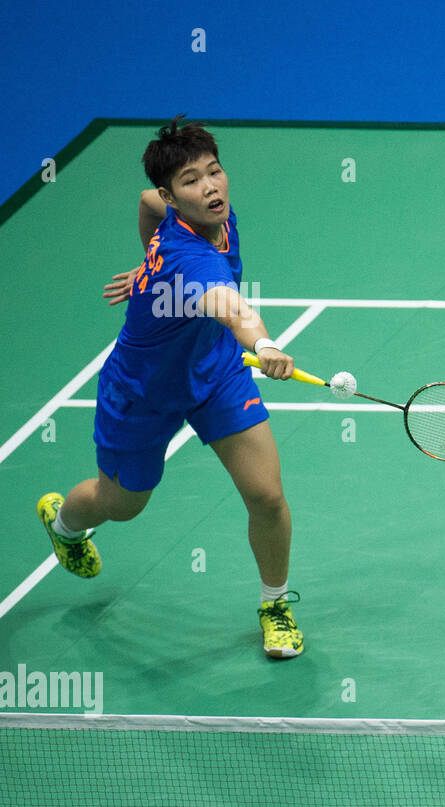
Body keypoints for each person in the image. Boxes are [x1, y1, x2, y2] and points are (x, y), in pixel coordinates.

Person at [37, 116, 306, 658]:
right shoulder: (189, 261)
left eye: (214, 171)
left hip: (215, 374)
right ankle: (64, 522)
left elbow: (145, 202)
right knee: (122, 504)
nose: (210, 187)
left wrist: (144, 263)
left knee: (268, 496)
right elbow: (233, 309)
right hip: (142, 392)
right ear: (173, 193)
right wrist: (268, 345)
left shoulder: (211, 217)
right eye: (191, 181)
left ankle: (275, 604)